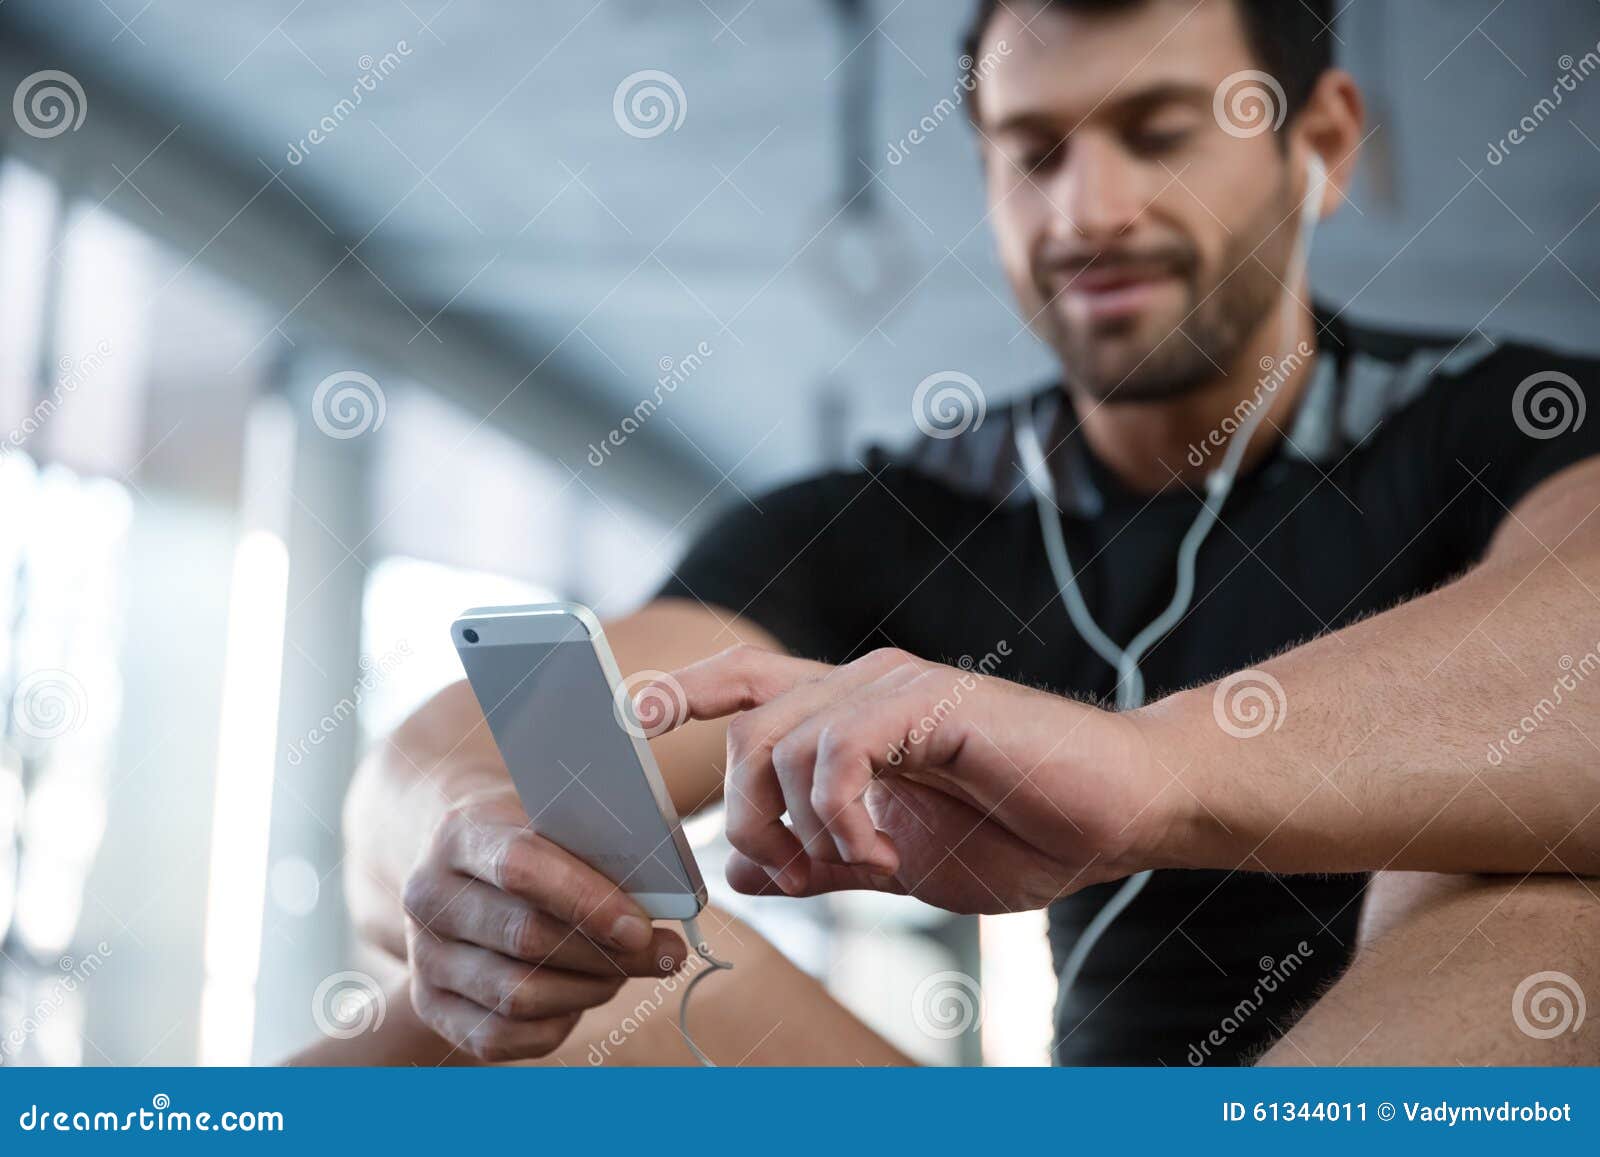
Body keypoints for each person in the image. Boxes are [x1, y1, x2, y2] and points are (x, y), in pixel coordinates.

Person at [341, 0, 1600, 1066]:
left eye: (1159, 134)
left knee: (1539, 883)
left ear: (1317, 142)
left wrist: (1146, 771)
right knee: (527, 978)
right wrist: (468, 846)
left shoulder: (1513, 420)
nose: (1090, 209)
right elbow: (454, 748)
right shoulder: (898, 515)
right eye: (1034, 152)